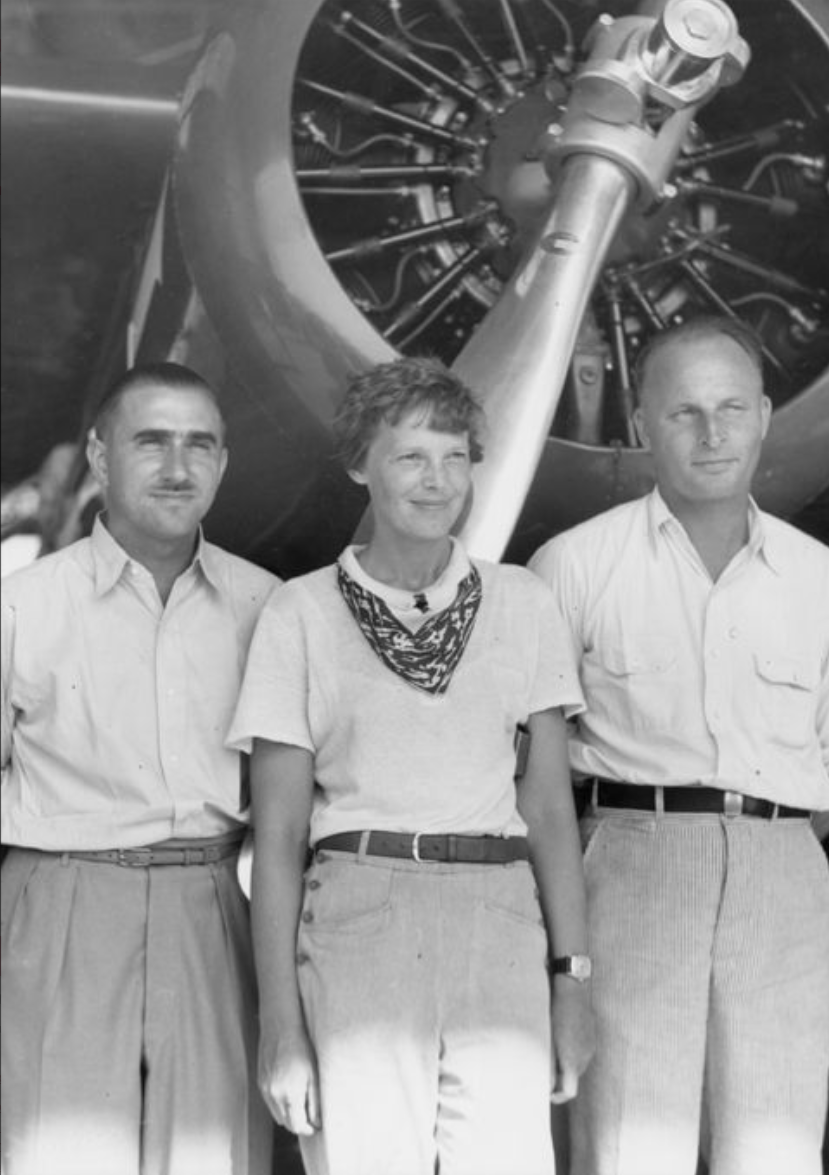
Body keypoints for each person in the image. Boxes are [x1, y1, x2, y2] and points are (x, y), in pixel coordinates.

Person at [227, 355, 595, 1175]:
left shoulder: (523, 605)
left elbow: (549, 814)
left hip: (499, 919)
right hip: (360, 915)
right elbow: (279, 835)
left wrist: (571, 981)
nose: (436, 481)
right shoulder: (300, 612)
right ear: (361, 465)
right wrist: (281, 1024)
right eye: (409, 457)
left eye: (455, 456)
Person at [529, 315, 829, 1175]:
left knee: (772, 1150)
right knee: (626, 1145)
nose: (712, 433)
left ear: (762, 415)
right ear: (642, 427)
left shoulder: (824, 579)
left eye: (730, 408)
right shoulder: (570, 567)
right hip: (629, 864)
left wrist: (760, 842)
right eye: (684, 413)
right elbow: (532, 769)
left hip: (780, 872)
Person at [1, 362, 278, 1175]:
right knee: (57, 1152)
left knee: (213, 1155)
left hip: (213, 905)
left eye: (199, 445)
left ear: (223, 464)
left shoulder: (270, 609)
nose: (177, 466)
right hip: (61, 901)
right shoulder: (21, 606)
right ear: (97, 456)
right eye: (150, 441)